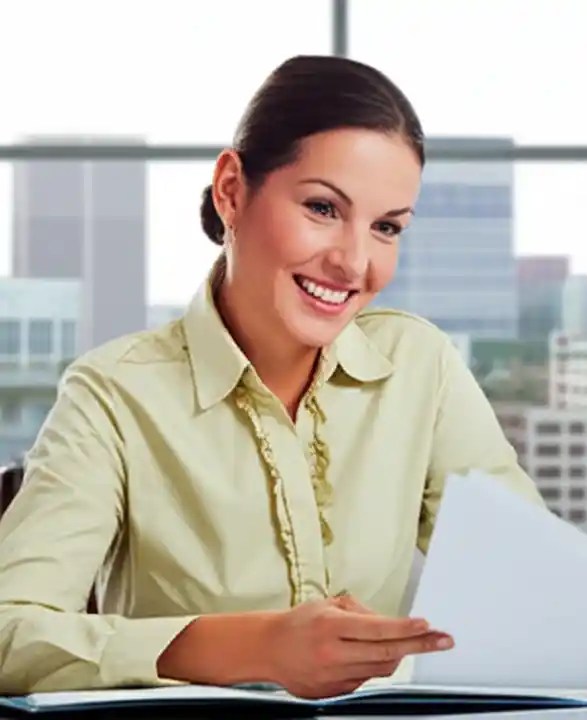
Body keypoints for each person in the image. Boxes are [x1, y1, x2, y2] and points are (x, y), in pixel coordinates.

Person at [0, 55, 543, 698]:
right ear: (232, 189)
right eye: (321, 207)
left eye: (387, 227)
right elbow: (11, 633)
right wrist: (254, 646)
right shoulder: (115, 394)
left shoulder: (420, 366)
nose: (353, 262)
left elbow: (534, 588)